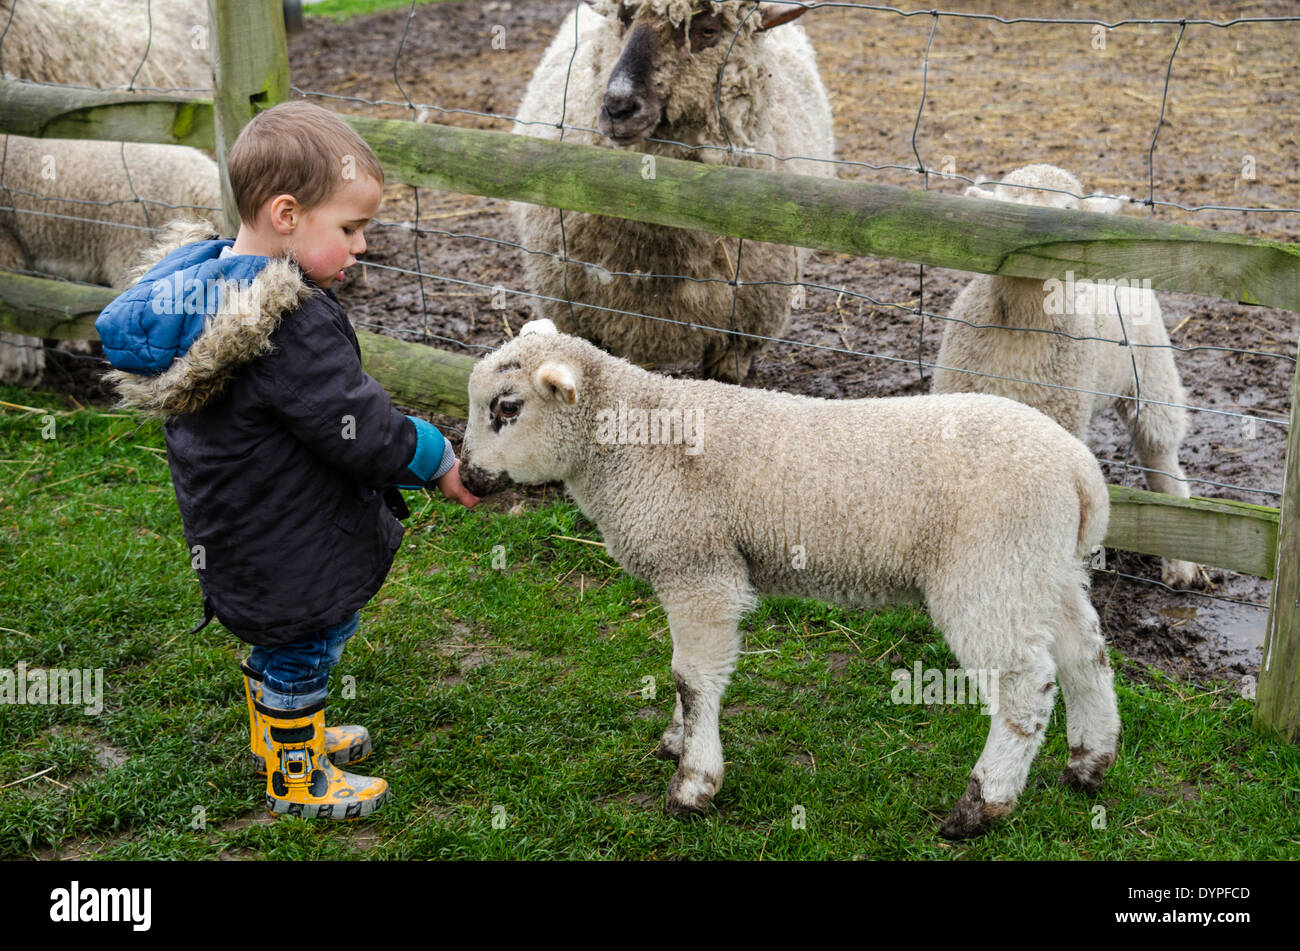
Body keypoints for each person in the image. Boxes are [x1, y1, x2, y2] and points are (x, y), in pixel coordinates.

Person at [95, 100, 478, 819]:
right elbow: (359, 430)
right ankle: (296, 777)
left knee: (284, 643)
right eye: (350, 228)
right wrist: (433, 456)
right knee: (306, 643)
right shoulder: (286, 322)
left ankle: (278, 733)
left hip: (241, 524)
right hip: (288, 539)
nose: (361, 246)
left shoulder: (210, 289)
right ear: (287, 214)